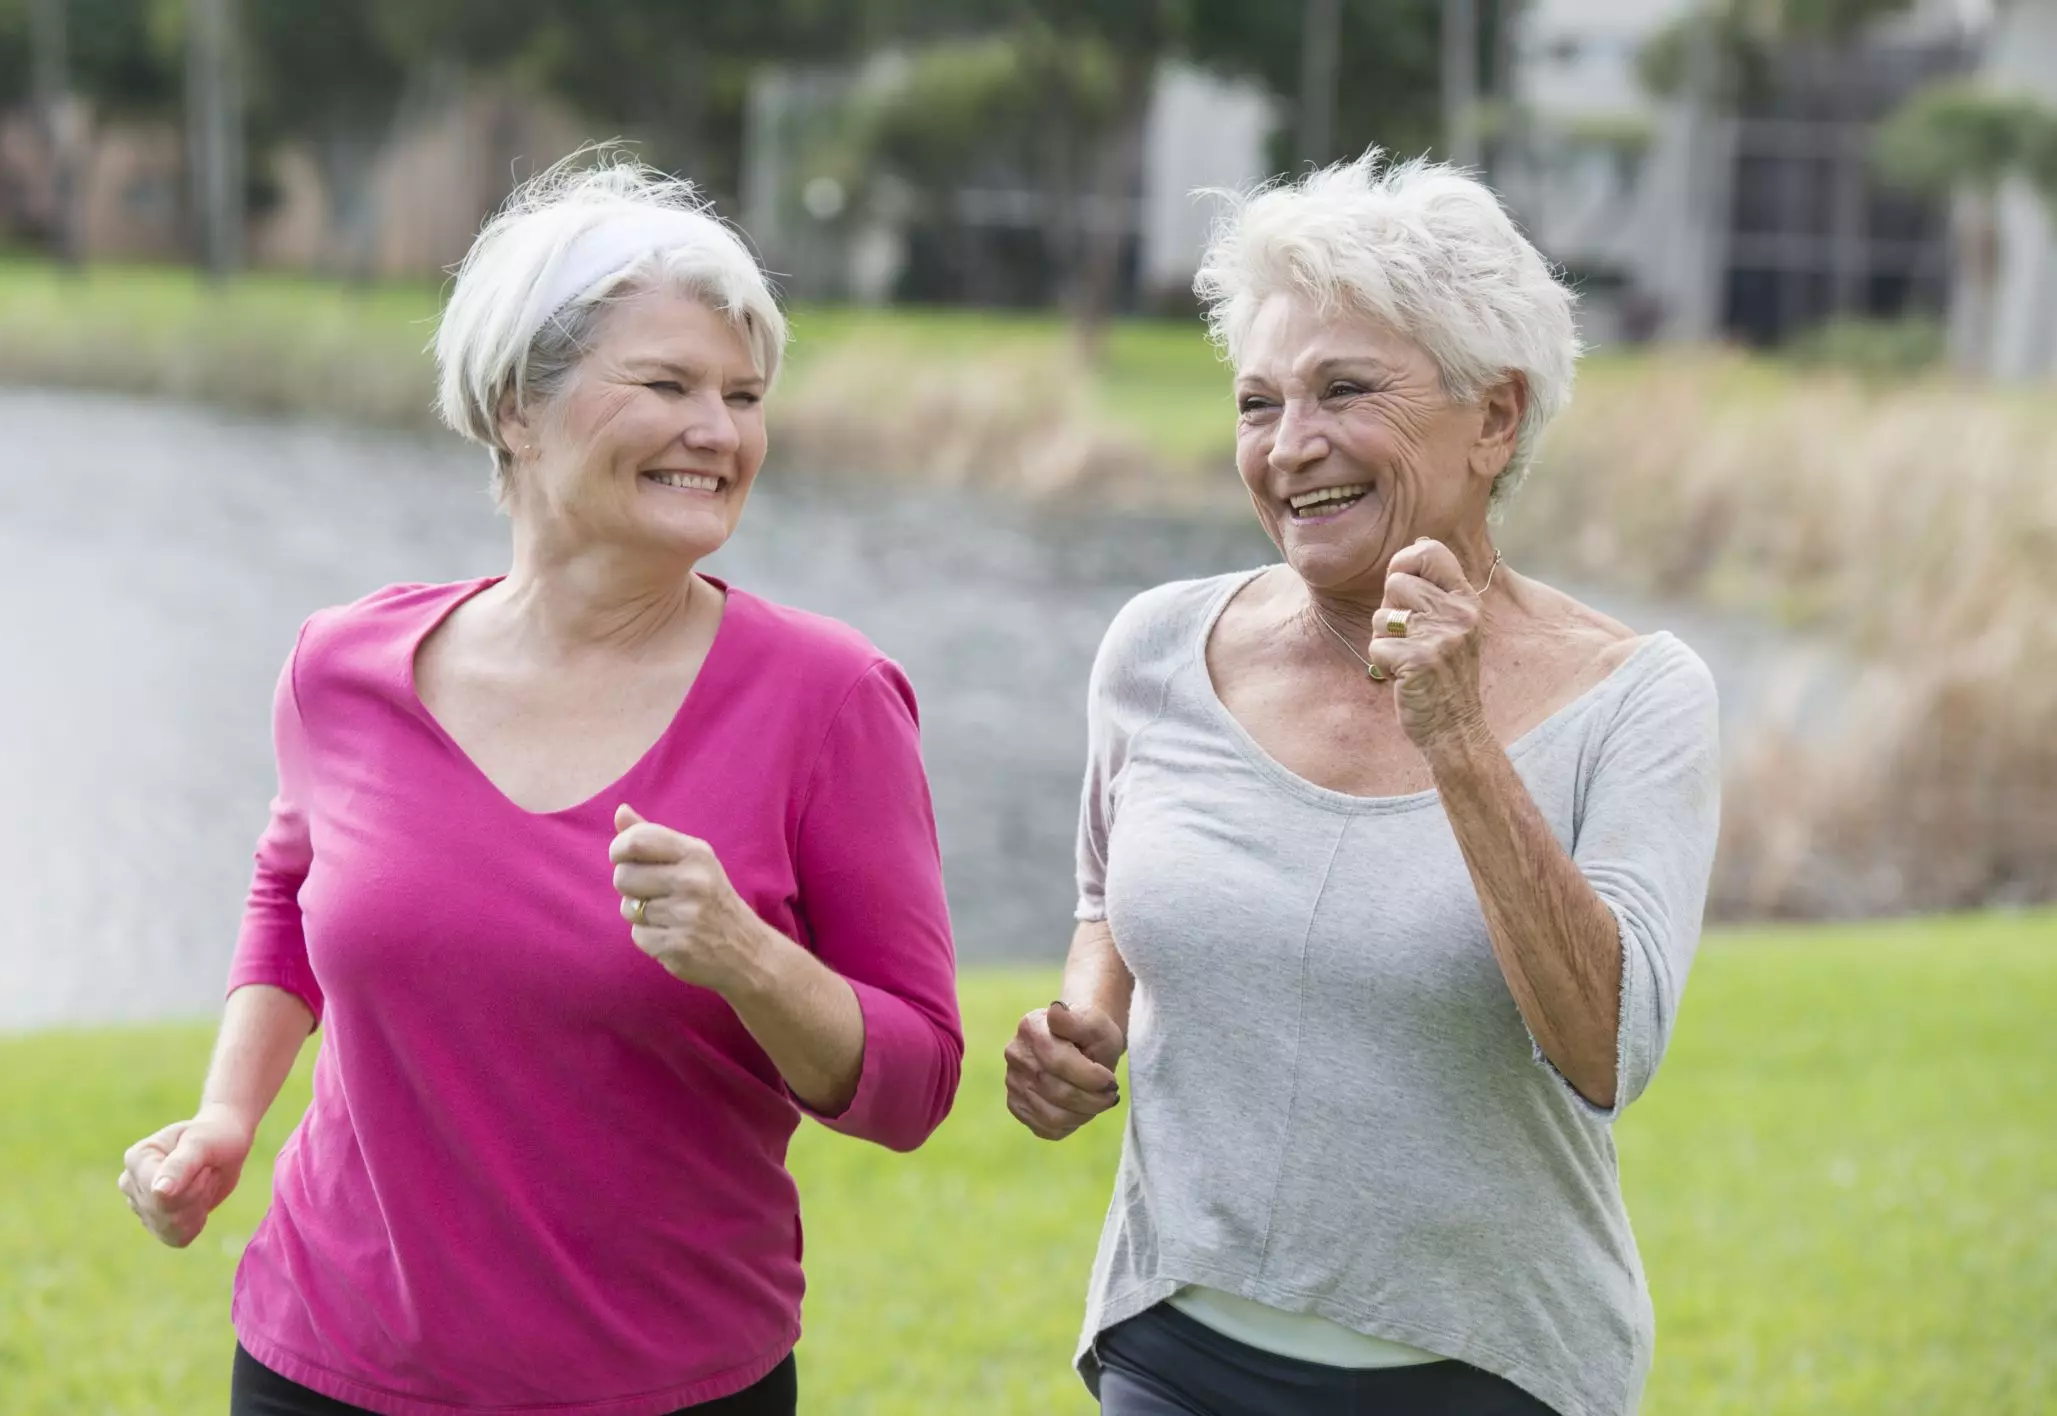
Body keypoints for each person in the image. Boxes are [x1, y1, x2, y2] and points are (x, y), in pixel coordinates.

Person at [116, 153, 963, 1416]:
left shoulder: (829, 702)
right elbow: (292, 887)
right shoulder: (343, 666)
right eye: (668, 384)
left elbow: (916, 1085)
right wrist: (228, 1115)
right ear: (518, 405)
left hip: (665, 1387)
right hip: (324, 1363)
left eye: (742, 394)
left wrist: (748, 954)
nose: (718, 432)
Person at [1004, 152, 1721, 1416]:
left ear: (1494, 418)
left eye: (1344, 392)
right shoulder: (1158, 648)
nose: (1291, 449)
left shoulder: (1639, 698)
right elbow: (1110, 897)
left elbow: (1607, 1050)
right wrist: (1086, 1025)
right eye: (1257, 403)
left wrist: (1458, 739)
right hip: (1174, 1352)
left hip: (1485, 1373)